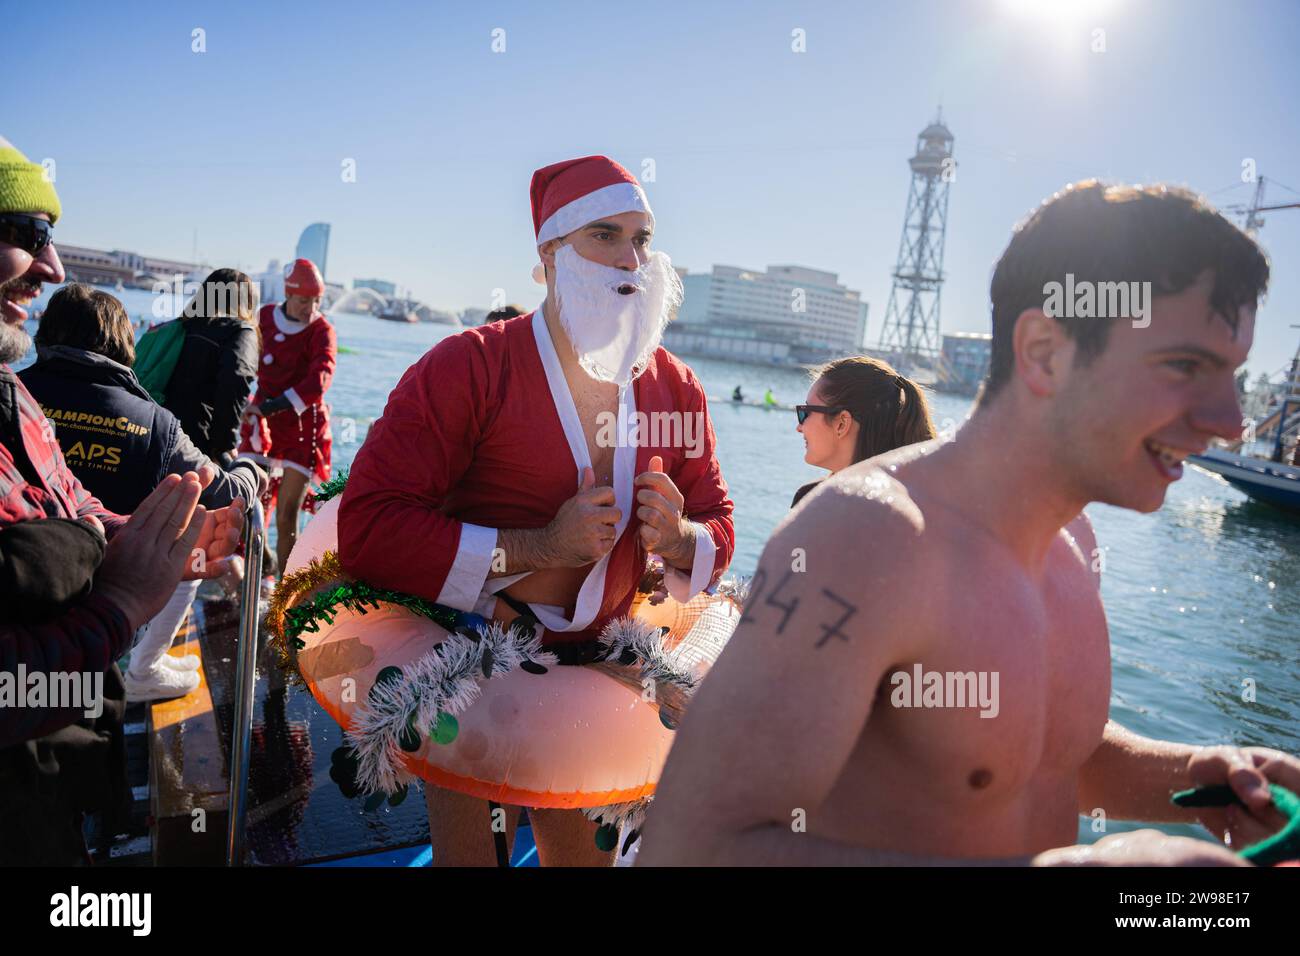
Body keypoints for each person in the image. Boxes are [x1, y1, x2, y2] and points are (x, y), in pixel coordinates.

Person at [640, 180, 1300, 867]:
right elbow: (693, 847)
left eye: (1230, 375)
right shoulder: (863, 537)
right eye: (1187, 366)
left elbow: (1032, 756)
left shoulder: (1073, 541)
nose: (1231, 423)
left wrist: (1197, 776)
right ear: (1044, 352)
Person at [339, 154, 735, 866]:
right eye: (606, 235)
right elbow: (369, 525)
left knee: (578, 862)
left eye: (643, 238)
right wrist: (537, 547)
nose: (632, 258)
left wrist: (678, 538)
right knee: (469, 860)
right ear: (551, 254)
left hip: (598, 667)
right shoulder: (467, 366)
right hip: (463, 654)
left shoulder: (678, 389)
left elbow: (719, 523)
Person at [0, 135, 245, 863]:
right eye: (27, 235)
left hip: (50, 775)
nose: (52, 264)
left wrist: (144, 538)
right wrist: (122, 607)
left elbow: (68, 504)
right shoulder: (156, 421)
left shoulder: (16, 389)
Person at [18, 283, 266, 701]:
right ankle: (144, 669)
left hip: (17, 598)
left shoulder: (14, 396)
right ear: (124, 344)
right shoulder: (156, 423)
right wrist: (250, 471)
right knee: (190, 539)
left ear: (44, 334)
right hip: (113, 609)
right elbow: (222, 493)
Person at [237, 257, 336, 578]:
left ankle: (285, 595)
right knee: (251, 505)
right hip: (262, 421)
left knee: (286, 515)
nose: (311, 308)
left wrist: (268, 407)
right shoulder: (264, 317)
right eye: (304, 300)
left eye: (317, 301)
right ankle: (261, 572)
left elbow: (320, 378)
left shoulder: (322, 330)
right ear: (289, 296)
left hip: (303, 426)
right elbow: (243, 359)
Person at [791, 357, 936, 507]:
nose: (799, 427)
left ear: (842, 423)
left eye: (806, 412)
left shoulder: (815, 502)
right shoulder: (920, 506)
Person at [164, 268, 261, 465]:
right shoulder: (240, 332)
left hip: (157, 428)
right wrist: (224, 445)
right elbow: (234, 384)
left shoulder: (179, 327)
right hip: (196, 442)